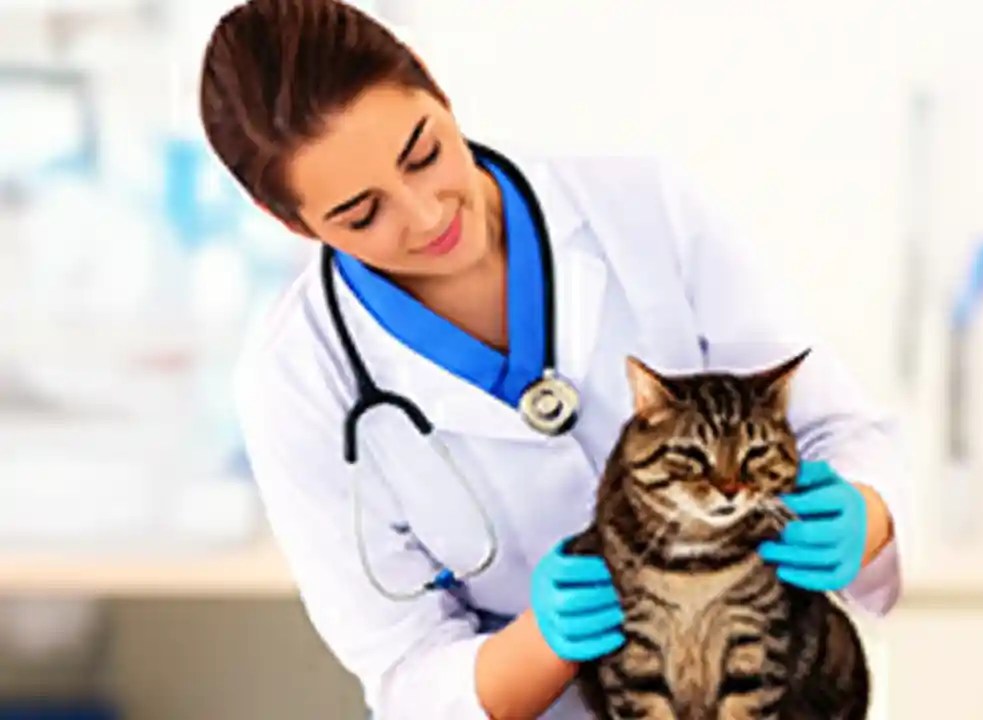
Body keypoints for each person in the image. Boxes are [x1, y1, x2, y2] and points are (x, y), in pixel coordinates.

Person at [200, 1, 907, 718]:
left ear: (436, 87)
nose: (426, 214)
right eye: (362, 213)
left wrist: (864, 516)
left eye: (424, 155)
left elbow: (840, 431)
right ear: (290, 222)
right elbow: (405, 674)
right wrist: (539, 645)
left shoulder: (641, 208)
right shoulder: (297, 381)